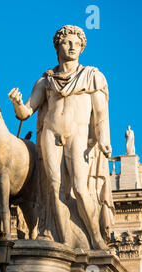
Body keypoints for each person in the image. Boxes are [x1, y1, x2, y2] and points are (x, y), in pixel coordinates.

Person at [8, 25, 113, 250]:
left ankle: (95, 238)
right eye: (67, 42)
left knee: (80, 187)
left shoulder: (92, 76)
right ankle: (63, 241)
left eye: (77, 43)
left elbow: (101, 114)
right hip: (50, 132)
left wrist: (104, 138)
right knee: (52, 188)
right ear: (58, 46)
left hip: (78, 135)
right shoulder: (46, 80)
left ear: (82, 47)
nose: (73, 46)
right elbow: (26, 112)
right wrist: (17, 102)